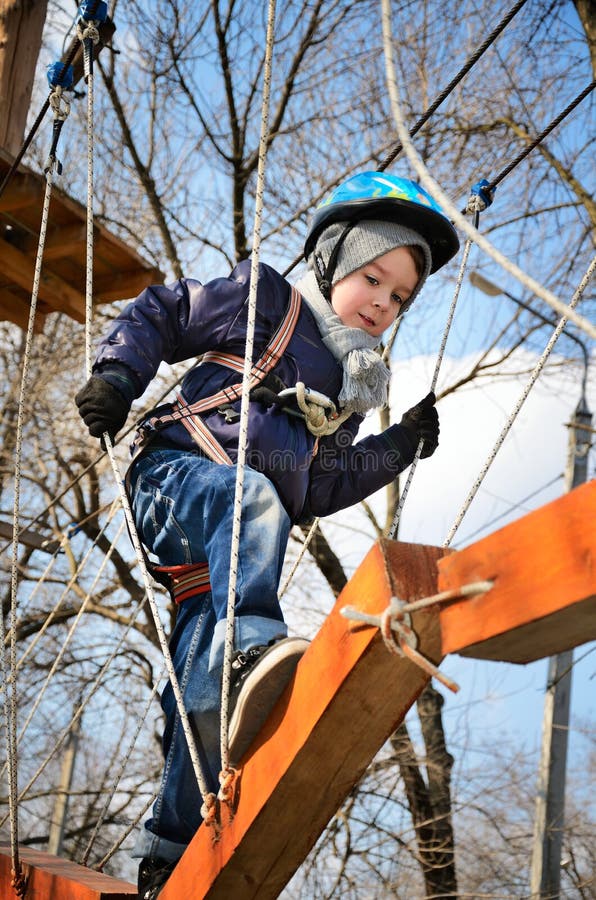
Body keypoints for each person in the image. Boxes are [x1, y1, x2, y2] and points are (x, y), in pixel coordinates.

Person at [75, 170, 459, 899]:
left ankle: (171, 854)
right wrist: (119, 377)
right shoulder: (265, 303)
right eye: (372, 278)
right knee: (252, 495)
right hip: (176, 483)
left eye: (400, 296)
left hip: (222, 562)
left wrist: (399, 444)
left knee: (205, 700)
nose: (382, 302)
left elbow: (318, 488)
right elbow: (166, 312)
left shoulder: (349, 385)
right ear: (331, 260)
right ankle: (250, 645)